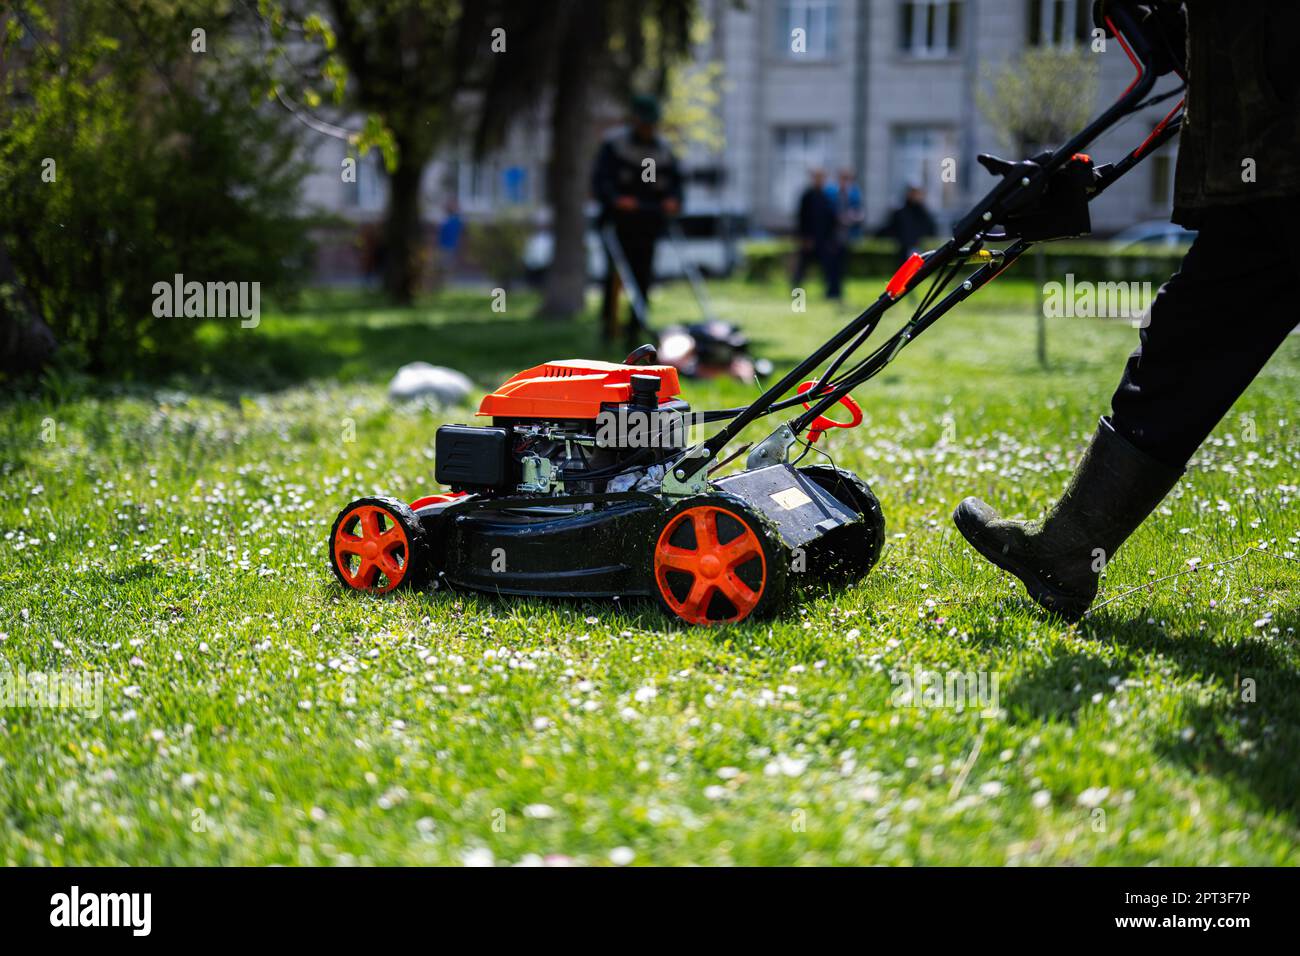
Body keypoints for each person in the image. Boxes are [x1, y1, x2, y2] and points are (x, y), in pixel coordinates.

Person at [953, 0, 1300, 621]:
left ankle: (1066, 550)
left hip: (1275, 142)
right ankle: (1067, 552)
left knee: (1191, 335)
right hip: (1261, 162)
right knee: (1186, 341)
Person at [591, 94, 683, 346]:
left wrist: (673, 200)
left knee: (643, 276)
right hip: (618, 225)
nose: (647, 129)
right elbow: (601, 182)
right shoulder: (615, 145)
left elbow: (675, 183)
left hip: (649, 224)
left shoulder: (662, 149)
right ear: (635, 121)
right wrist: (616, 200)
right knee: (615, 277)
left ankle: (636, 329)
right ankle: (609, 329)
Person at [793, 168, 843, 301]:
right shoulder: (807, 196)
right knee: (801, 271)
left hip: (824, 240)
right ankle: (797, 296)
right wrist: (805, 238)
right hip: (809, 239)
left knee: (830, 268)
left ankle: (832, 294)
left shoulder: (826, 196)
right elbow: (802, 219)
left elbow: (831, 219)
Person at [876, 184, 937, 266]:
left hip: (918, 247)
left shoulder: (923, 213)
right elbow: (892, 228)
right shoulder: (901, 212)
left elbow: (930, 230)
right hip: (903, 249)